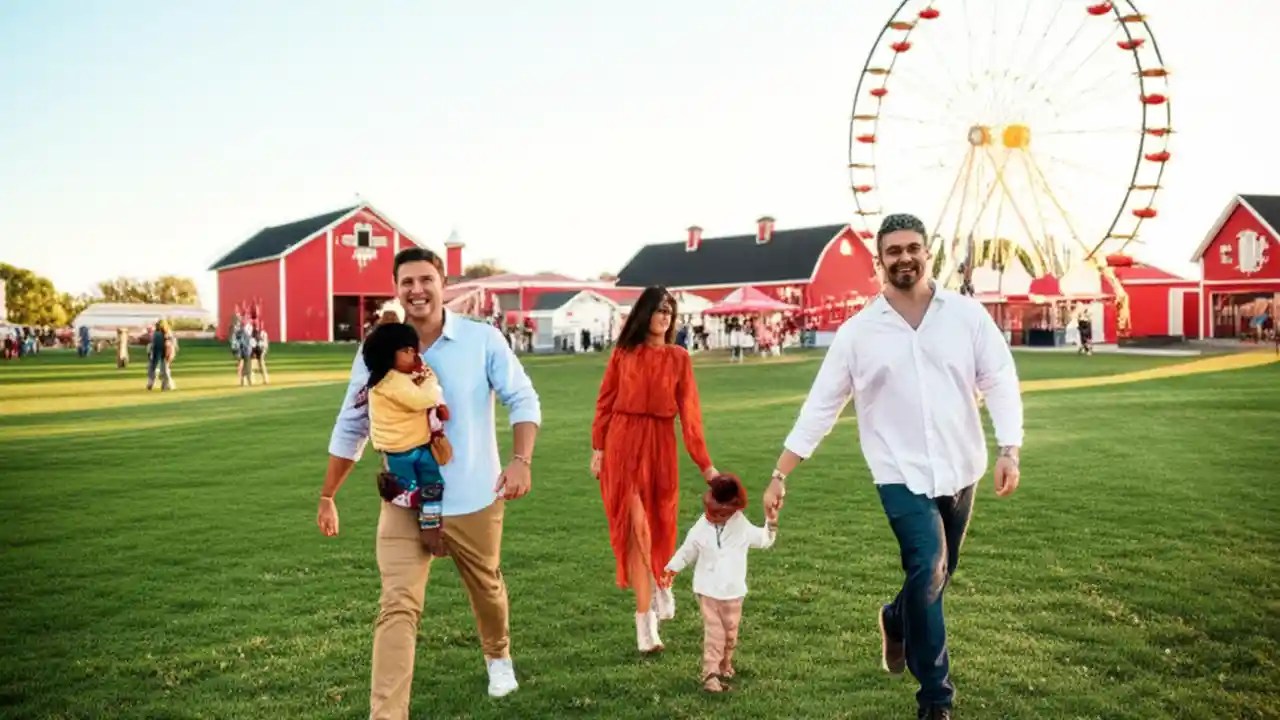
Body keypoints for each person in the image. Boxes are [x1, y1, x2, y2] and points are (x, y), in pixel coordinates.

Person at [762, 213, 1024, 720]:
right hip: (897, 472)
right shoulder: (859, 333)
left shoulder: (966, 317)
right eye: (893, 251)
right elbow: (822, 405)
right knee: (927, 565)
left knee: (938, 575)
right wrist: (780, 473)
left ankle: (896, 618)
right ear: (879, 261)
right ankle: (936, 699)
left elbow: (1000, 379)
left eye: (913, 248)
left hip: (960, 465)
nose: (904, 257)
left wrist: (1009, 448)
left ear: (928, 253)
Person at [318, 246, 541, 717]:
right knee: (397, 605)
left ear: (443, 284)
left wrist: (521, 460)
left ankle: (498, 655)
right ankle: (387, 714)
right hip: (405, 500)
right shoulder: (377, 350)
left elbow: (522, 399)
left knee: (487, 589)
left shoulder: (483, 340)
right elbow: (352, 422)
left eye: (426, 280)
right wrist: (327, 494)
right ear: (396, 289)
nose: (417, 290)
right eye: (407, 282)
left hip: (475, 498)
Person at [589, 285, 718, 654]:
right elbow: (605, 401)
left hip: (660, 446)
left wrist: (705, 464)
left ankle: (662, 583)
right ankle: (645, 628)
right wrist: (598, 446)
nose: (663, 317)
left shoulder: (679, 358)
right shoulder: (623, 353)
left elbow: (690, 416)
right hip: (622, 444)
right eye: (658, 310)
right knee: (637, 529)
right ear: (643, 314)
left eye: (668, 311)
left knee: (660, 526)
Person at [663, 473, 777, 693]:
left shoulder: (740, 525)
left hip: (733, 592)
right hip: (708, 590)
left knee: (730, 633)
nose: (718, 515)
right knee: (715, 633)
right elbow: (688, 550)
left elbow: (763, 541)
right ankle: (710, 676)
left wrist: (771, 522)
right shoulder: (702, 526)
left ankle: (725, 665)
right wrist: (672, 568)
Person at [362, 321, 454, 555]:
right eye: (405, 351)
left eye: (414, 350)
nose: (413, 355)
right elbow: (421, 400)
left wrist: (422, 376)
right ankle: (394, 489)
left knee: (433, 484)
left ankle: (430, 527)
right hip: (399, 449)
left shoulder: (406, 377)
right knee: (409, 489)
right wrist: (431, 381)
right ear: (386, 354)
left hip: (419, 444)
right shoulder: (389, 382)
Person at [146, 320, 175, 391]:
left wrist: (169, 354)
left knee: (164, 369)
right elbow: (152, 344)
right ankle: (152, 383)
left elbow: (169, 345)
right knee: (153, 368)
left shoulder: (167, 334)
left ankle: (166, 384)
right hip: (157, 352)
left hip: (164, 353)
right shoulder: (156, 333)